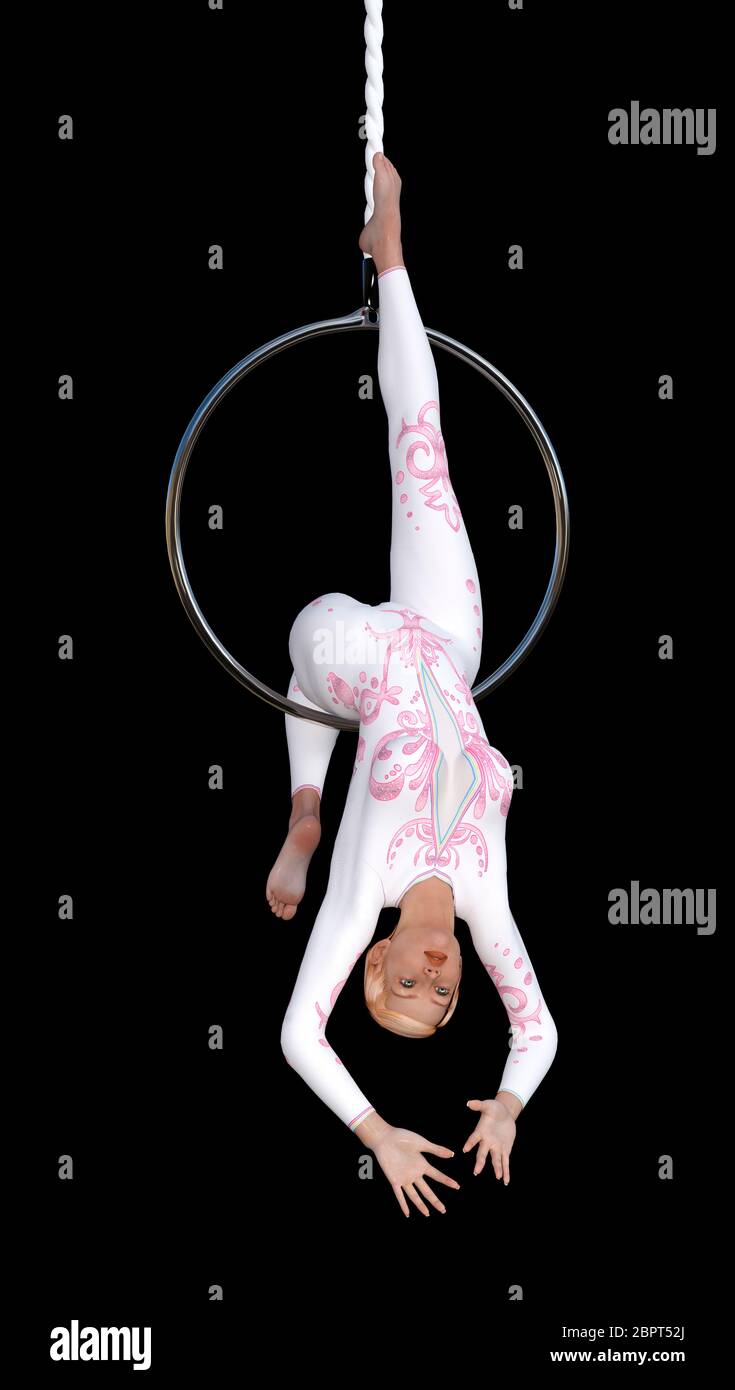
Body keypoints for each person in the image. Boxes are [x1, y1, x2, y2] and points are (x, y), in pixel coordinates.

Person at [267, 153, 558, 1218]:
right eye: (440, 999)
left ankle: (307, 800)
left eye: (399, 988)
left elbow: (300, 1032)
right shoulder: (488, 907)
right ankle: (392, 254)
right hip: (446, 640)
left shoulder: (365, 896)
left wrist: (376, 1129)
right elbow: (544, 1032)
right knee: (423, 447)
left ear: (377, 958)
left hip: (362, 654)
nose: (429, 981)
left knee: (309, 643)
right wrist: (511, 1104)